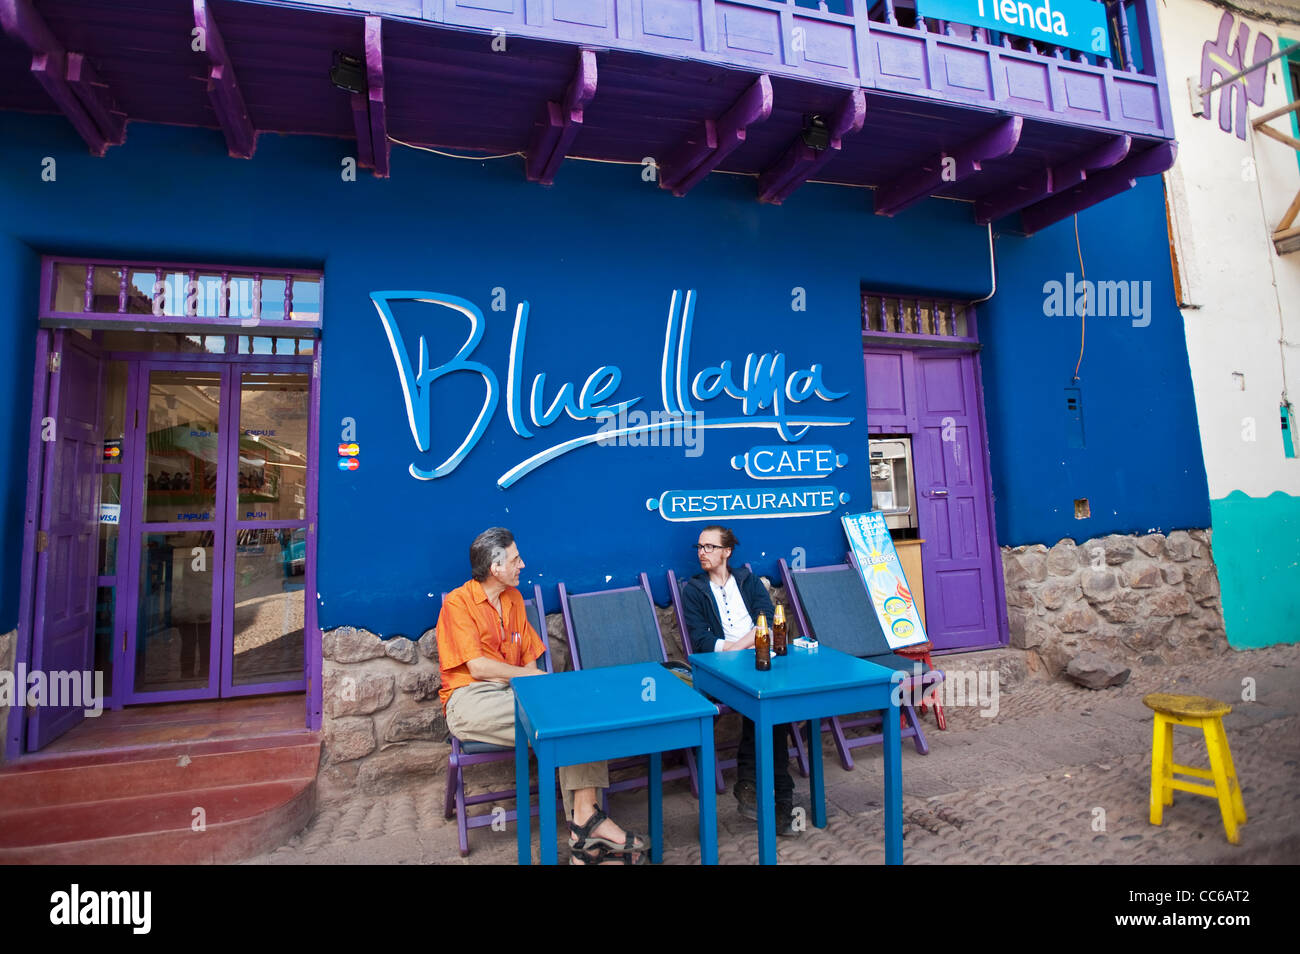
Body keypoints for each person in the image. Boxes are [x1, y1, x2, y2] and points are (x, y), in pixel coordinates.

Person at [436, 527, 647, 864]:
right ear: (495, 567)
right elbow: (477, 667)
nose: (523, 564)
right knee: (565, 718)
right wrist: (531, 678)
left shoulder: (513, 599)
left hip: (515, 692)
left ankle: (584, 826)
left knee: (581, 711)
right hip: (471, 699)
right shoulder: (459, 603)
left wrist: (536, 684)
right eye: (516, 559)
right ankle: (588, 831)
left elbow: (529, 654)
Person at [678, 525, 799, 836]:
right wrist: (738, 646)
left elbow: (770, 620)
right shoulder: (694, 590)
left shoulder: (747, 580)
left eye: (709, 547)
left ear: (727, 551)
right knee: (766, 702)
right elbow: (701, 640)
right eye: (700, 547)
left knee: (772, 701)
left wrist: (745, 643)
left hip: (756, 656)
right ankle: (780, 797)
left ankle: (753, 785)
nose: (702, 553)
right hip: (720, 666)